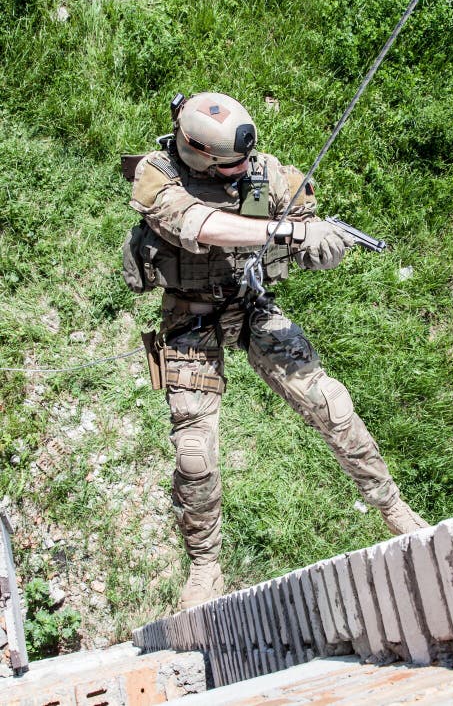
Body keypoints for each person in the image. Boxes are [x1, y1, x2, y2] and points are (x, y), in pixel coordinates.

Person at [124, 92, 428, 610]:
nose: (245, 169)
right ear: (197, 151)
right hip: (190, 317)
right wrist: (285, 228)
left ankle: (392, 506)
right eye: (232, 163)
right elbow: (198, 225)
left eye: (247, 158)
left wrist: (318, 245)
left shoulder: (264, 173)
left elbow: (306, 226)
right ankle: (205, 565)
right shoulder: (158, 174)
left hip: (252, 304)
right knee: (194, 455)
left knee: (330, 403)